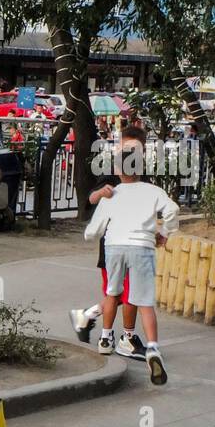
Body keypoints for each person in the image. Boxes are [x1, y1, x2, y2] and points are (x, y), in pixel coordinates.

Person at [84, 125, 178, 384]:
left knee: (117, 294)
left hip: (116, 247)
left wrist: (91, 232)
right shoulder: (134, 183)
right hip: (133, 248)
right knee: (137, 298)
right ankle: (145, 344)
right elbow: (92, 198)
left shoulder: (121, 184)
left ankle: (106, 334)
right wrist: (164, 233)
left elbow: (94, 227)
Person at [70, 145, 143, 358]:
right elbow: (90, 199)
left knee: (119, 294)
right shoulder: (111, 180)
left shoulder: (141, 184)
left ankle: (88, 319)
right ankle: (125, 338)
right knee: (126, 294)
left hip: (129, 247)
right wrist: (101, 193)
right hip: (114, 249)